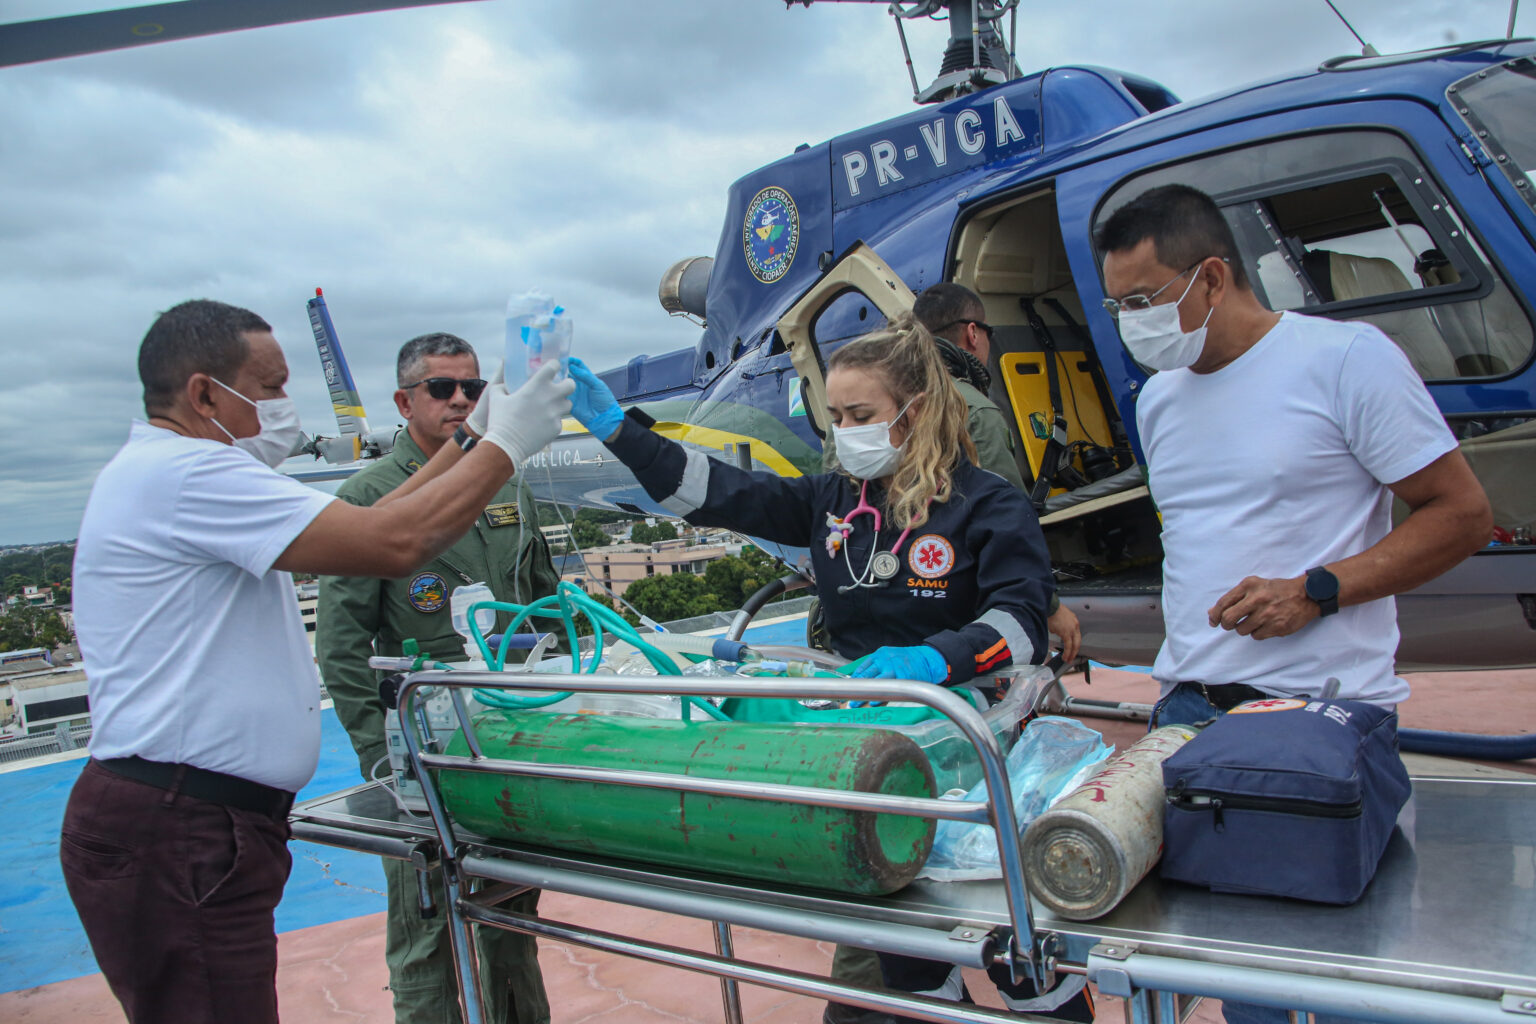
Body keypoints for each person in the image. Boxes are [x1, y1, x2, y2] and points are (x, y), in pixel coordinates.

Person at [566, 312, 1093, 1024]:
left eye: (862, 414)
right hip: (875, 762)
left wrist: (936, 658)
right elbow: (714, 492)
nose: (846, 430)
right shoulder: (833, 502)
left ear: (917, 411)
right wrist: (619, 433)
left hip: (974, 754)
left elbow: (1022, 622)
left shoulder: (987, 506)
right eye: (836, 416)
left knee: (1015, 956)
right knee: (911, 960)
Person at [61, 300, 572, 1024]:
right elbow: (388, 544)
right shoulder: (189, 477)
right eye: (268, 389)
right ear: (205, 394)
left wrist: (472, 446)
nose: (282, 408)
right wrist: (508, 444)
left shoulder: (173, 471)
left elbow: (379, 511)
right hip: (181, 826)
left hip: (198, 823)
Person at [1097, 185, 1492, 1024]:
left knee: (1350, 976)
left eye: (1142, 300)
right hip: (1191, 712)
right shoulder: (1159, 400)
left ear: (1211, 276)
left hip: (1320, 713)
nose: (1131, 321)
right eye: (1116, 303)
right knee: (1242, 980)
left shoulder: (1344, 359)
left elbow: (1462, 514)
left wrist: (1319, 590)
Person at [316, 333, 559, 1024]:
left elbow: (545, 612)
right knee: (425, 932)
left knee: (512, 925)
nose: (461, 400)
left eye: (473, 389)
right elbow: (340, 648)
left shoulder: (505, 482)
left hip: (508, 741)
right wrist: (380, 762)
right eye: (442, 389)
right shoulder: (368, 496)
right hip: (421, 755)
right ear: (404, 401)